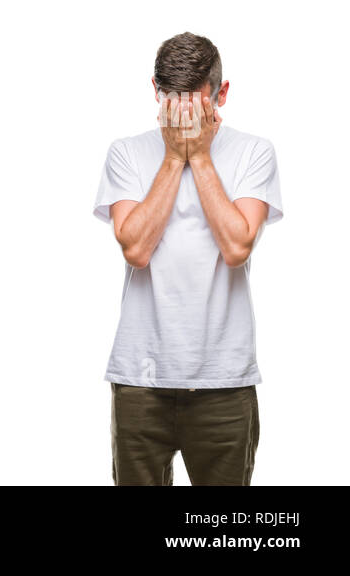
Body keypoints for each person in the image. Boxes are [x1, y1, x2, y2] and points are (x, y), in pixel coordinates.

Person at [94, 32, 281, 486]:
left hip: (225, 379)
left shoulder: (255, 152)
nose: (183, 119)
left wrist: (198, 158)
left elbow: (238, 248)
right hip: (141, 377)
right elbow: (135, 248)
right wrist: (173, 160)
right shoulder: (127, 153)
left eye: (195, 107)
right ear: (156, 94)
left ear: (222, 95)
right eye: (173, 104)